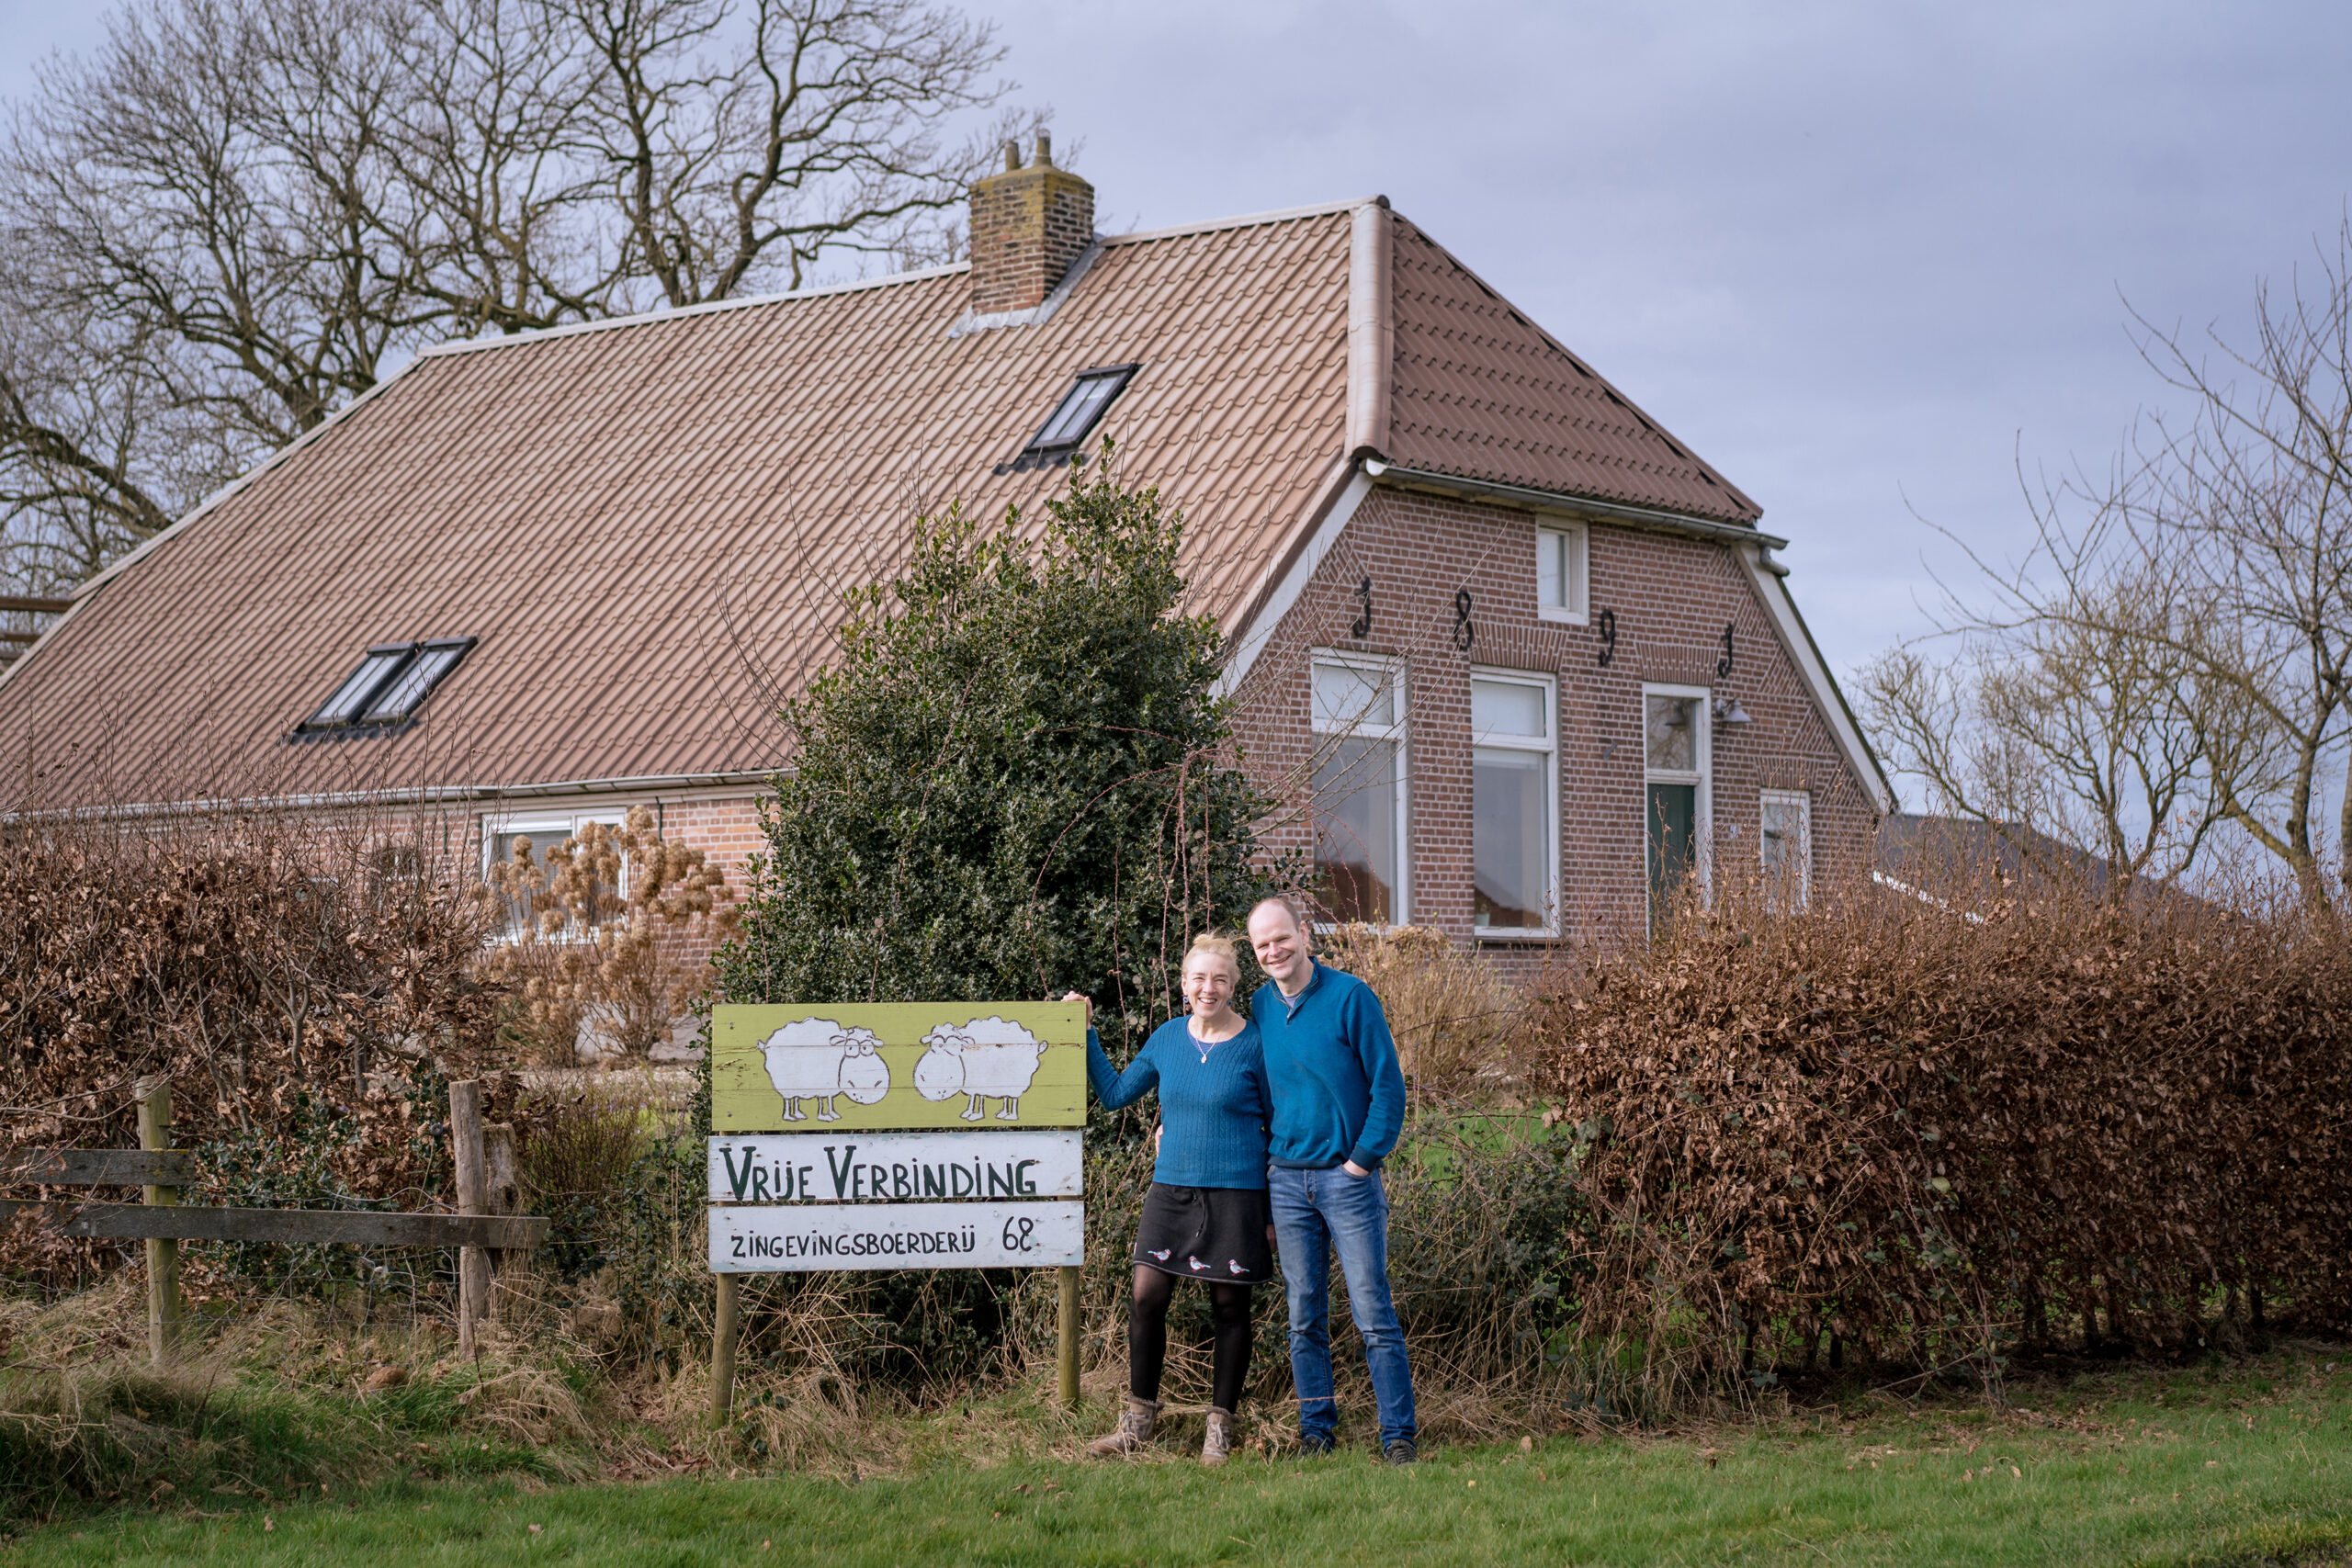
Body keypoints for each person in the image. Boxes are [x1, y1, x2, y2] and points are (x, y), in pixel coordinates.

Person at [1070, 931, 1272, 1466]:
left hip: (1238, 1193)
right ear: (1184, 984)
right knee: (1145, 1296)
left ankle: (1220, 1429)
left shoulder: (1256, 1046)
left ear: (1234, 986)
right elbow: (1114, 1094)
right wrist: (1087, 1032)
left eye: (1220, 979)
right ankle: (1138, 1423)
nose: (1209, 988)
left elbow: (1277, 1129)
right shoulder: (1165, 1038)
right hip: (1172, 1190)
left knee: (1229, 1306)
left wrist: (1271, 1213)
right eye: (1199, 978)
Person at [1246, 894, 1417, 1463]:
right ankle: (1316, 1431)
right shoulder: (1260, 1008)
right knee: (1303, 1316)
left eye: (1282, 937)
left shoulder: (1351, 997)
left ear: (1304, 933)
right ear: (1254, 951)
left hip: (1348, 1181)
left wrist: (1361, 1161)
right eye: (1262, 943)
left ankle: (1397, 1437)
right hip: (1287, 1184)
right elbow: (1251, 1095)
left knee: (1372, 1312)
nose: (1274, 950)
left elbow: (1388, 1088)